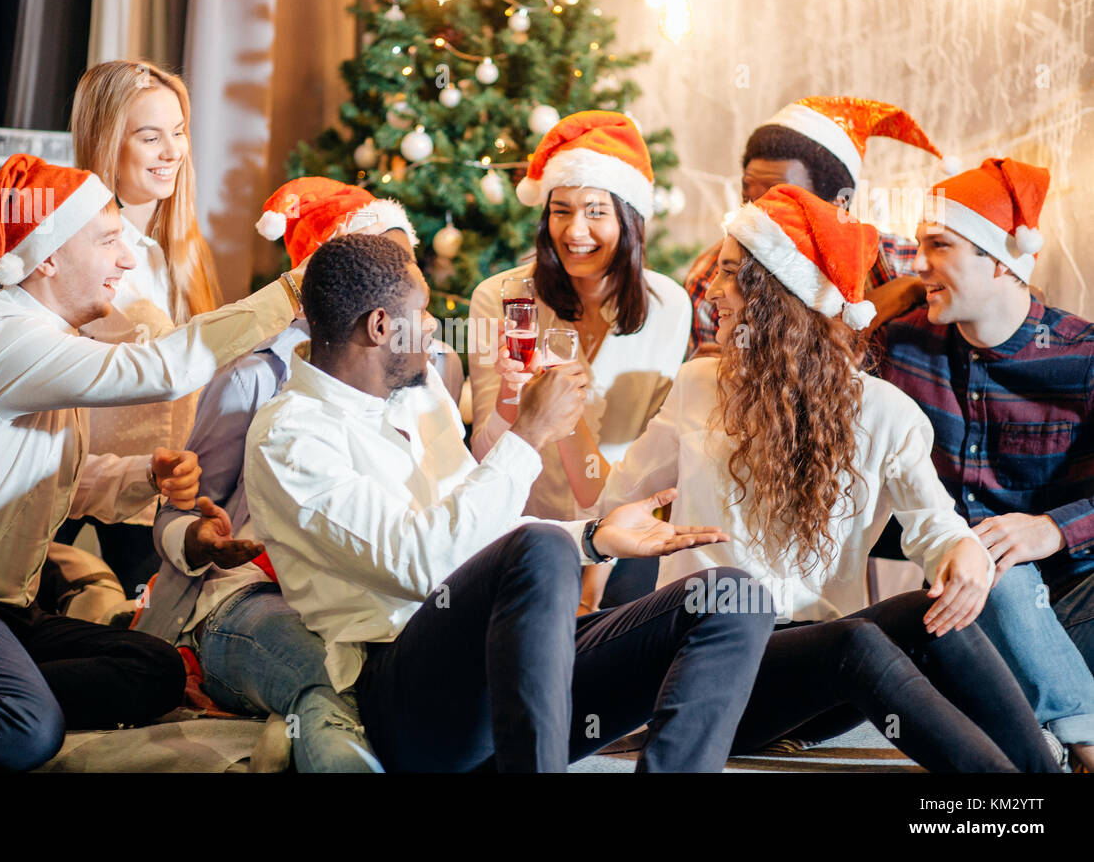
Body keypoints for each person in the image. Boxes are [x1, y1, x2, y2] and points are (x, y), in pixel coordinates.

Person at [0, 154, 307, 772]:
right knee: (27, 724)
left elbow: (53, 480)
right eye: (107, 242)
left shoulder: (47, 343)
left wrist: (146, 477)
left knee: (152, 668)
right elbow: (164, 368)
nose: (126, 261)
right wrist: (291, 293)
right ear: (46, 257)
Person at [558, 183, 1058, 772]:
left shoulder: (887, 412)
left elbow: (935, 525)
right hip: (713, 666)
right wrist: (565, 426)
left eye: (731, 274)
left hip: (815, 680)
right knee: (856, 641)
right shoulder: (698, 387)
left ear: (779, 297)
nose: (712, 292)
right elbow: (615, 504)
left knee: (925, 616)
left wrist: (963, 551)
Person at [243, 233, 777, 773]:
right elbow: (423, 563)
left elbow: (475, 528)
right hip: (409, 694)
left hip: (516, 670)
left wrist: (593, 538)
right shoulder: (291, 436)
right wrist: (529, 432)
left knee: (732, 596)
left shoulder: (421, 395)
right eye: (422, 312)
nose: (433, 326)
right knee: (539, 545)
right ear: (381, 326)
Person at [138, 177, 427, 773]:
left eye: (407, 263)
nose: (405, 284)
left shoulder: (420, 374)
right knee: (330, 680)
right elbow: (178, 510)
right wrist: (200, 538)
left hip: (367, 591)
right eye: (383, 264)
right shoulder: (253, 379)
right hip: (253, 593)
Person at [878, 157, 1094, 771]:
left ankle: (1044, 730)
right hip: (969, 606)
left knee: (1000, 562)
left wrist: (1050, 529)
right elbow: (809, 357)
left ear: (1002, 261)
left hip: (1080, 600)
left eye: (939, 246)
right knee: (987, 561)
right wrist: (890, 296)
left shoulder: (1083, 356)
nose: (918, 263)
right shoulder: (900, 347)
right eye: (919, 246)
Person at [469, 111, 691, 612]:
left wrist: (592, 586)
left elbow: (648, 460)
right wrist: (511, 395)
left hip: (621, 537)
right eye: (561, 211)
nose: (575, 231)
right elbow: (484, 454)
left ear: (628, 219)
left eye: (596, 212)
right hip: (521, 537)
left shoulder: (668, 306)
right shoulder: (499, 299)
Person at [59, 60, 223, 596]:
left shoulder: (178, 253)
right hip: (82, 483)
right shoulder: (77, 253)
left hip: (157, 496)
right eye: (151, 137)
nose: (173, 151)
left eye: (178, 132)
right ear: (108, 144)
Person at [684, 96, 942, 357]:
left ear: (837, 204)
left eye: (781, 199)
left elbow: (960, 294)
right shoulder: (710, 279)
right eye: (747, 199)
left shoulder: (896, 263)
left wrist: (909, 289)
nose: (757, 214)